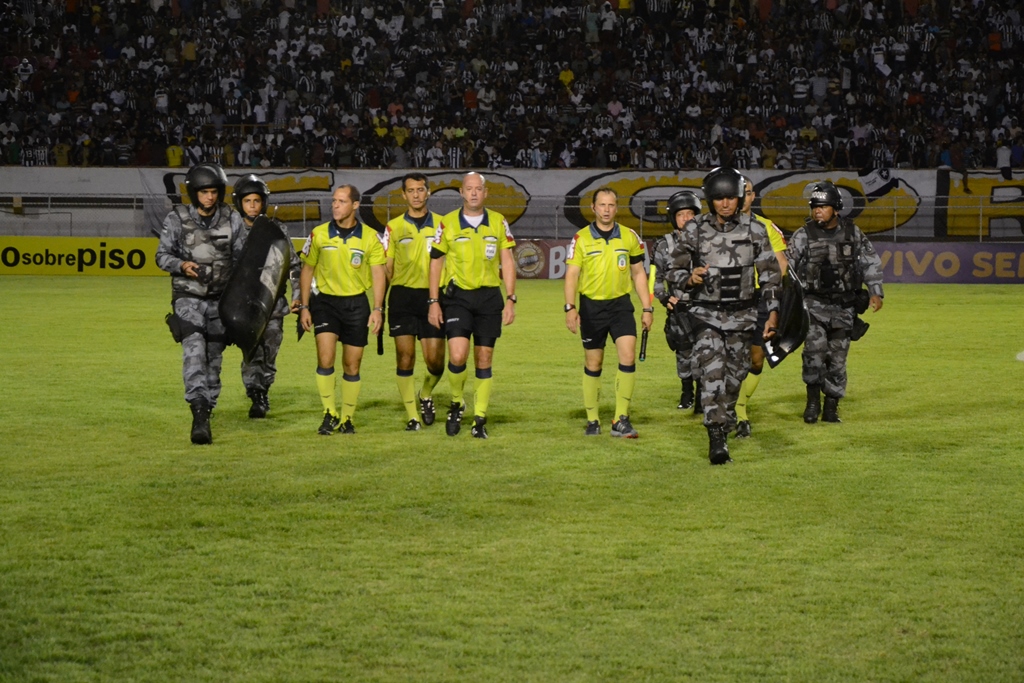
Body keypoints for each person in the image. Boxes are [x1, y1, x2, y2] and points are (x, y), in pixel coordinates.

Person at [664, 167, 782, 465]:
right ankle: (716, 439)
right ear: (710, 199)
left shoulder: (755, 229)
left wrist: (772, 313)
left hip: (744, 314)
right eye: (719, 198)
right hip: (706, 314)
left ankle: (725, 418)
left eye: (731, 197)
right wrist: (689, 278)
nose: (726, 204)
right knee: (712, 375)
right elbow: (672, 269)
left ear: (740, 197)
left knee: (735, 376)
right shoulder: (695, 229)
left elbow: (770, 275)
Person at [156, 163, 247, 444]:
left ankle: (206, 410)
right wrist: (182, 264)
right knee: (194, 349)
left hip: (221, 302)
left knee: (213, 361)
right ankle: (198, 413)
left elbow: (244, 261)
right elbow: (161, 256)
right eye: (204, 192)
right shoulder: (177, 219)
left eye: (214, 192)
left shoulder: (232, 219)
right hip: (188, 298)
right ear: (194, 193)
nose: (210, 197)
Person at [785, 181, 884, 424]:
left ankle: (831, 406)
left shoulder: (852, 233)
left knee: (838, 360)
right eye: (814, 206)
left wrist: (875, 291)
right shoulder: (802, 235)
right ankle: (812, 403)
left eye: (823, 206)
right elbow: (787, 268)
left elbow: (870, 261)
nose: (817, 210)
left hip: (844, 307)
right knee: (814, 354)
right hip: (813, 306)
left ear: (836, 209)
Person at [427, 172, 516, 439]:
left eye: (479, 189)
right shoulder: (448, 223)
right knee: (456, 355)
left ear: (486, 193)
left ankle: (479, 418)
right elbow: (436, 262)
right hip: (457, 298)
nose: (474, 193)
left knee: (484, 359)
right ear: (462, 193)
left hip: (489, 298)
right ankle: (457, 402)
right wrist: (433, 301)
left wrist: (511, 298)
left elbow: (508, 261)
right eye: (469, 189)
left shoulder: (499, 222)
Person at [564, 187, 654, 437]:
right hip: (592, 307)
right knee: (594, 363)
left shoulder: (629, 237)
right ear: (593, 208)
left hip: (621, 306)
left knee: (628, 356)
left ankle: (621, 419)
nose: (606, 210)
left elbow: (638, 274)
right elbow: (572, 274)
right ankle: (593, 419)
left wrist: (647, 307)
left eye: (611, 205)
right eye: (602, 205)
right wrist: (570, 307)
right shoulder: (581, 238)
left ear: (617, 207)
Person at [298, 185, 387, 435]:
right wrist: (305, 306)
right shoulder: (318, 234)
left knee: (352, 366)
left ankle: (347, 417)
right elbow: (307, 270)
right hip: (325, 303)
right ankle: (329, 412)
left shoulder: (370, 237)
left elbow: (379, 273)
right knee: (325, 359)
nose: (335, 205)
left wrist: (378, 308)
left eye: (341, 201)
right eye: (334, 201)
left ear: (355, 205)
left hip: (357, 305)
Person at [231, 174, 302, 419]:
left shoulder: (276, 229)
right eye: (248, 200)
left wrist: (298, 295)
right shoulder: (232, 230)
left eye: (257, 200)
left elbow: (293, 265)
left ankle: (264, 388)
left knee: (270, 350)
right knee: (252, 351)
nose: (252, 205)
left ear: (264, 202)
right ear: (239, 202)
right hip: (242, 304)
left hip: (272, 303)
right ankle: (255, 393)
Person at [383, 172, 446, 431]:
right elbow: (386, 267)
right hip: (403, 297)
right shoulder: (393, 227)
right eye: (411, 190)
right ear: (404, 195)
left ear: (428, 192)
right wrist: (378, 305)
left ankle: (426, 393)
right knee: (405, 358)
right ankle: (412, 416)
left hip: (434, 299)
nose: (416, 195)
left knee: (435, 362)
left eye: (421, 189)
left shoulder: (444, 224)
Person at [734, 179, 790, 438]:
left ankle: (740, 408)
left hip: (759, 299)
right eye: (738, 193)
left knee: (757, 360)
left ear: (753, 196)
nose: (742, 198)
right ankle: (734, 411)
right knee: (729, 358)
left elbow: (781, 266)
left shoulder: (767, 227)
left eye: (746, 193)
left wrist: (775, 300)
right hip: (731, 299)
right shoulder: (718, 225)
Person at [650, 190, 702, 413]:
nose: (687, 218)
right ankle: (686, 391)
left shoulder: (709, 241)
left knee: (707, 352)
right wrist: (664, 298)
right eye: (682, 215)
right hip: (679, 307)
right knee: (683, 352)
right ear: (674, 218)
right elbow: (656, 278)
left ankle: (702, 396)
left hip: (704, 306)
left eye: (691, 214)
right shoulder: (664, 246)